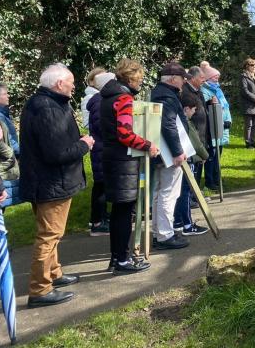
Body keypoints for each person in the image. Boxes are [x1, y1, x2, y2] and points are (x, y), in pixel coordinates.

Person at [21, 63, 95, 307]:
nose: (75, 86)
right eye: (71, 82)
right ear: (59, 84)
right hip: (52, 183)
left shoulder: (42, 102)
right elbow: (56, 153)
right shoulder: (48, 108)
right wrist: (84, 144)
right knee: (49, 235)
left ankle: (55, 274)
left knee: (52, 233)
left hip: (48, 181)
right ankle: (40, 290)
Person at [99, 60, 159, 274]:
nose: (141, 82)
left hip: (110, 157)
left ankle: (117, 258)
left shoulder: (105, 97)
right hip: (123, 161)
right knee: (124, 212)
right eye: (140, 78)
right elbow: (125, 133)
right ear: (131, 78)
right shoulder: (124, 99)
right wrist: (148, 145)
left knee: (118, 211)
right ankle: (122, 260)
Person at [150, 63, 190, 250]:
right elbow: (168, 125)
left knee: (160, 192)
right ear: (173, 78)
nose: (184, 82)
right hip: (168, 154)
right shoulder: (167, 96)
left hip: (161, 152)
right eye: (182, 78)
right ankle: (165, 235)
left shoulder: (159, 93)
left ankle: (160, 232)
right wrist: (178, 151)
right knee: (169, 193)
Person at [173, 67, 209, 236]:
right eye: (193, 110)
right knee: (185, 191)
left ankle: (178, 220)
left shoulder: (196, 93)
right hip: (188, 155)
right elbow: (194, 140)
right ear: (187, 109)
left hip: (188, 153)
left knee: (180, 191)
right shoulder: (186, 122)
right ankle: (187, 224)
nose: (195, 112)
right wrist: (204, 155)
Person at [86, 71, 116, 236]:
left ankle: (101, 217)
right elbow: (101, 127)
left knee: (102, 185)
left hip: (102, 148)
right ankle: (97, 222)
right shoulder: (99, 102)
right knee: (101, 186)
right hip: (101, 149)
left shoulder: (100, 100)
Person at [201, 65, 229, 191]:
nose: (217, 78)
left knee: (218, 154)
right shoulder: (204, 90)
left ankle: (217, 178)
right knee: (211, 156)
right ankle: (209, 181)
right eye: (214, 77)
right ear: (208, 78)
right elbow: (204, 105)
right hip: (213, 126)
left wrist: (228, 120)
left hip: (222, 125)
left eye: (218, 76)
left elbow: (225, 106)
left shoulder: (218, 89)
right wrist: (209, 102)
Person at [182, 66, 210, 191]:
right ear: (192, 78)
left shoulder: (198, 90)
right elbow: (188, 116)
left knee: (199, 167)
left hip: (201, 135)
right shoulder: (185, 92)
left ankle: (195, 195)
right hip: (193, 136)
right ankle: (192, 197)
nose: (204, 80)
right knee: (193, 168)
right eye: (201, 78)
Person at [240, 58, 255, 149]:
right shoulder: (243, 76)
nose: (254, 67)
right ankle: (248, 143)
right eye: (252, 65)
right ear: (247, 66)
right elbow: (244, 91)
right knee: (249, 125)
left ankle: (253, 142)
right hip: (248, 105)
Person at [0, 83, 19, 155]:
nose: (8, 96)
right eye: (5, 94)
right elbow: (8, 141)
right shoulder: (0, 116)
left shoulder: (4, 113)